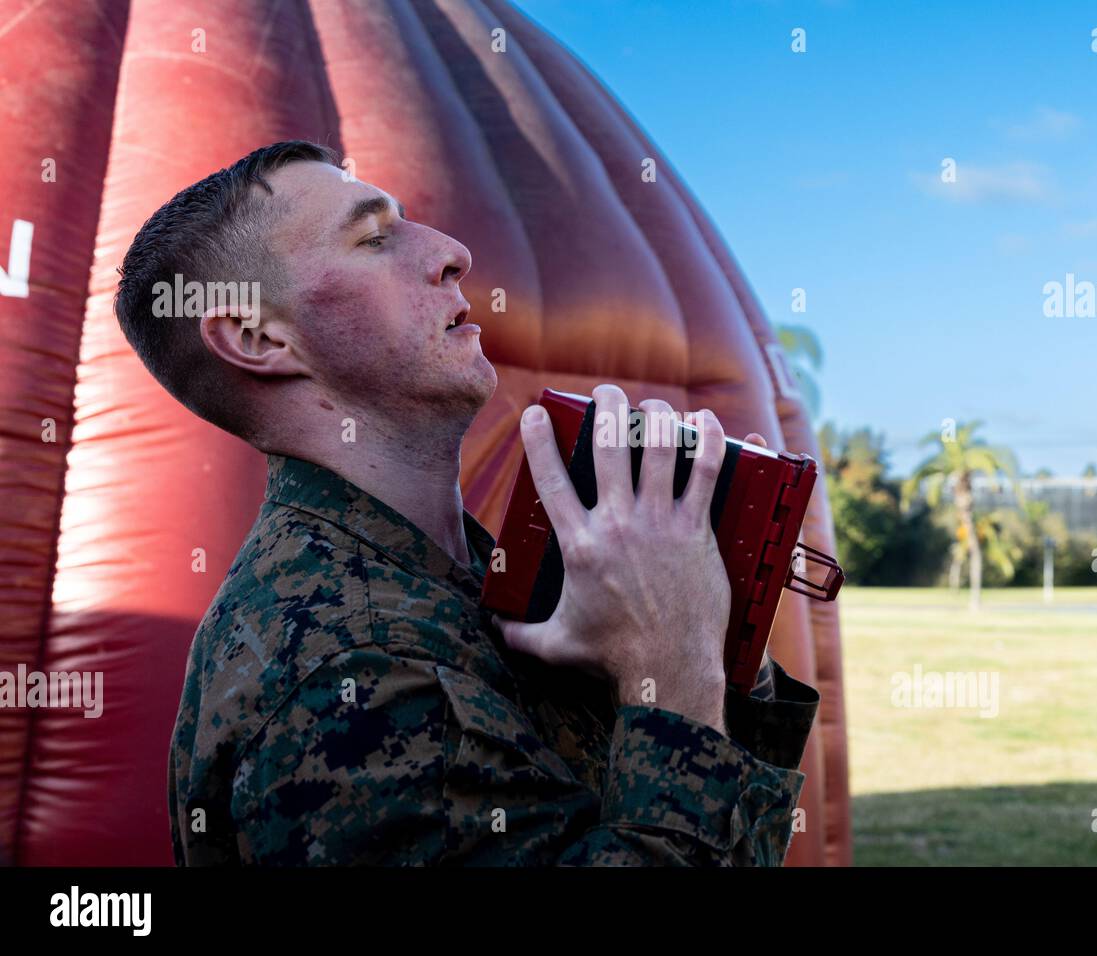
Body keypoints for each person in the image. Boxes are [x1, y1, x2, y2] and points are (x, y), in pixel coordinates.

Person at [113, 141, 820, 865]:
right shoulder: (349, 674)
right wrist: (677, 673)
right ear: (258, 337)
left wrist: (709, 627)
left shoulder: (479, 579)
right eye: (375, 238)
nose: (453, 252)